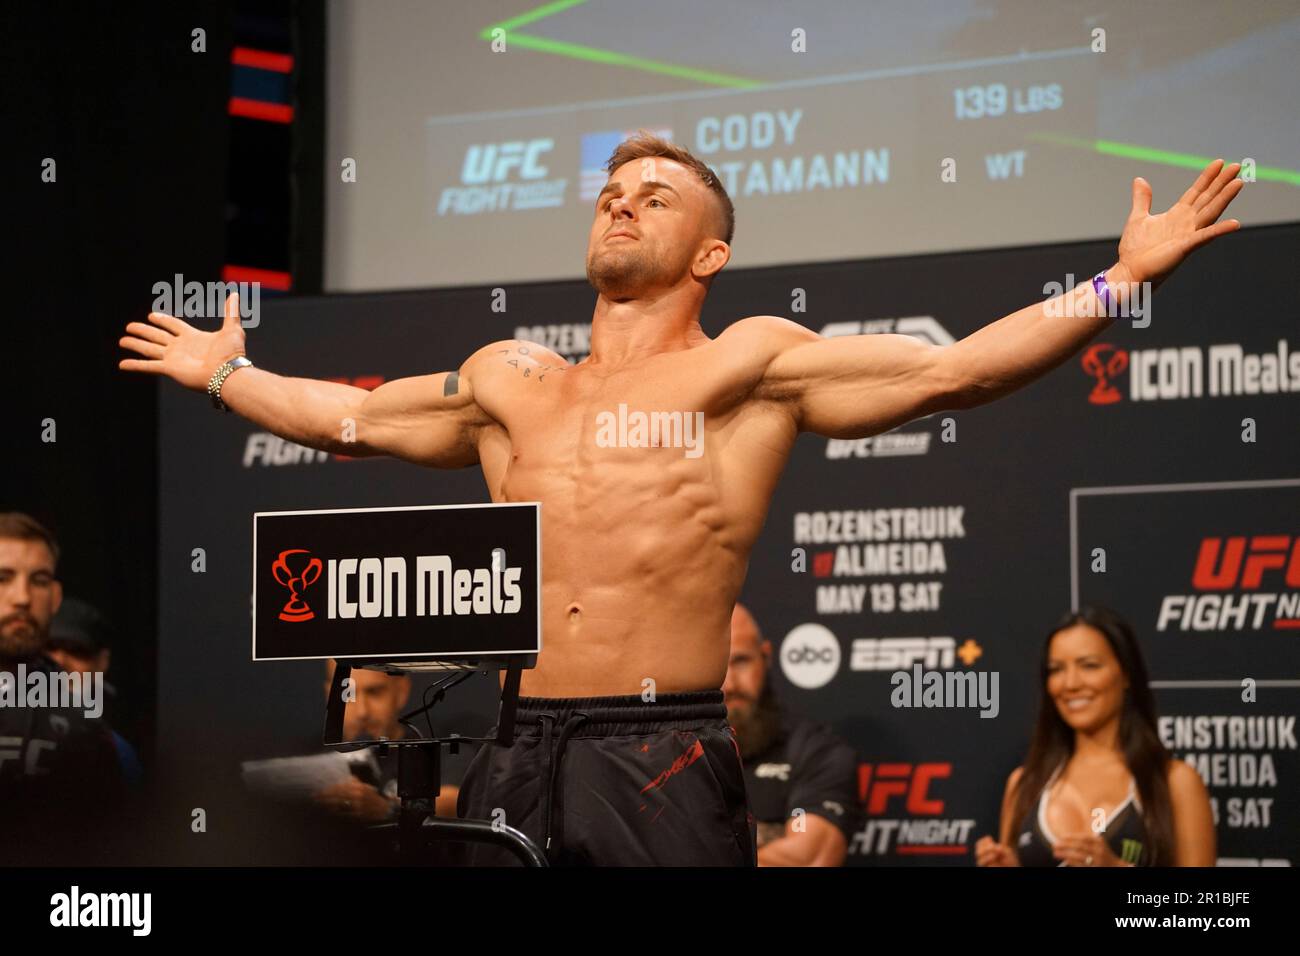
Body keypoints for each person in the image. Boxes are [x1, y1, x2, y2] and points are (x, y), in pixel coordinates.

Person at [120, 131, 1243, 865]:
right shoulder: (512, 379)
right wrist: (228, 373)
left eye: (650, 198)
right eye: (609, 194)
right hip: (514, 746)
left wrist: (1122, 279)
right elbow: (352, 419)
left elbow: (956, 370)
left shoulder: (747, 366)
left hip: (658, 747)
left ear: (709, 253)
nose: (619, 206)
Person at [975, 606, 1216, 867]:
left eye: (1089, 665)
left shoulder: (1174, 782)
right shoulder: (1023, 784)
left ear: (1126, 675)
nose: (1070, 683)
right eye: (1056, 669)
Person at [0, 513, 127, 862]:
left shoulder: (85, 726)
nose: (22, 598)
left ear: (55, 598)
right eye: (3, 578)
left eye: (39, 580)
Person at [725, 603, 857, 866]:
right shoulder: (666, 751)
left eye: (740, 661)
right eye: (716, 665)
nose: (729, 684)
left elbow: (810, 860)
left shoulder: (816, 750)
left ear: (766, 656)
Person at [312, 659, 459, 823]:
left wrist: (387, 809)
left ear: (401, 691)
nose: (362, 711)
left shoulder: (436, 751)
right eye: (348, 693)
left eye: (374, 692)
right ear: (329, 695)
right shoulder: (311, 759)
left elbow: (453, 803)